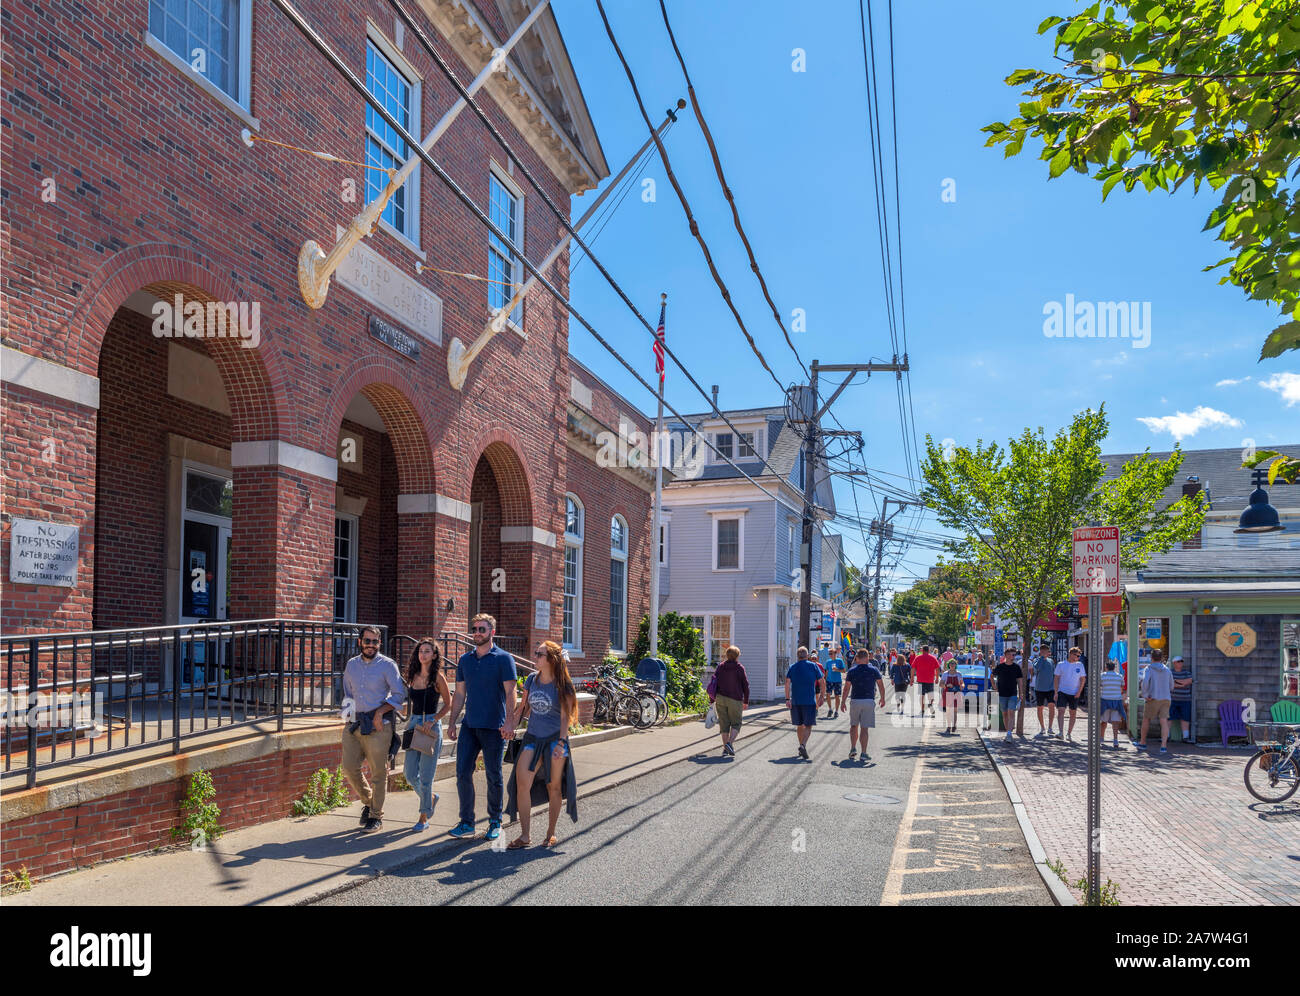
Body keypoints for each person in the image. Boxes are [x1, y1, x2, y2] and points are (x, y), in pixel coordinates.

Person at [446, 613, 518, 841]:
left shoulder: (503, 659)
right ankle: (467, 822)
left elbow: (510, 692)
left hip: (494, 728)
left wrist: (509, 722)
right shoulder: (465, 660)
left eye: (482, 629)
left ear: (492, 632)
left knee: (493, 775)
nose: (477, 633)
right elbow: (459, 694)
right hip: (470, 726)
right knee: (462, 773)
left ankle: (495, 821)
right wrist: (452, 722)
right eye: (474, 629)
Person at [506, 641, 578, 848]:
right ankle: (525, 835)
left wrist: (561, 743)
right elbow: (523, 708)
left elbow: (566, 718)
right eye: (536, 653)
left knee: (553, 787)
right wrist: (510, 723)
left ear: (551, 660)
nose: (535, 656)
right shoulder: (531, 679)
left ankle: (550, 833)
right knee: (522, 784)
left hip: (555, 739)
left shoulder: (563, 685)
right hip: (532, 738)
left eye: (540, 654)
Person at [341, 625, 406, 832]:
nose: (371, 645)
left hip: (379, 726)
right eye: (367, 641)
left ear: (380, 643)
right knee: (349, 768)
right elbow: (346, 692)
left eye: (375, 642)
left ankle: (376, 815)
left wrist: (380, 712)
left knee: (379, 773)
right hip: (354, 724)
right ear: (360, 642)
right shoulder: (351, 665)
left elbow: (399, 695)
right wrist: (346, 716)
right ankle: (369, 803)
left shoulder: (388, 665)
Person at [403, 638, 451, 831]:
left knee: (426, 776)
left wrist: (434, 720)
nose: (423, 654)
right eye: (421, 651)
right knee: (409, 773)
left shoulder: (438, 678)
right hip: (414, 723)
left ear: (434, 655)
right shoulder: (413, 676)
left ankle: (423, 817)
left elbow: (448, 703)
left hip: (431, 725)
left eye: (427, 651)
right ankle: (430, 798)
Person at [845, 648, 886, 760]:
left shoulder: (852, 671)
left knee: (854, 726)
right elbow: (881, 685)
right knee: (864, 728)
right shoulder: (874, 670)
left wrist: (843, 702)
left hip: (855, 700)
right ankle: (863, 753)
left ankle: (853, 748)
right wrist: (882, 698)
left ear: (857, 658)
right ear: (868, 658)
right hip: (868, 700)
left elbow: (847, 688)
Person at [784, 645, 825, 760]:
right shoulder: (813, 666)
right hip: (809, 701)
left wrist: (787, 699)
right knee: (808, 725)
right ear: (807, 655)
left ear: (797, 656)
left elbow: (787, 683)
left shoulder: (792, 667)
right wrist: (822, 696)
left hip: (796, 701)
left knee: (799, 725)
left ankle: (801, 746)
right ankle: (803, 745)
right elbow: (822, 681)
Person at [709, 645, 750, 756]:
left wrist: (711, 699)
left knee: (724, 724)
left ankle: (725, 748)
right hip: (735, 699)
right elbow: (745, 685)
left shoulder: (720, 667)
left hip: (720, 698)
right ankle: (729, 744)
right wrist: (746, 701)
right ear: (737, 656)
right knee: (736, 723)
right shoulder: (739, 668)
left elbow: (714, 683)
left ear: (727, 655)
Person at [1137, 649, 1174, 754]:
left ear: (1151, 658)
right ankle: (1163, 746)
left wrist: (1145, 695)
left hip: (1153, 698)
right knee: (1164, 721)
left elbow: (1145, 683)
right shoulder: (1167, 670)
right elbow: (1172, 685)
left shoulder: (1149, 669)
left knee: (1146, 719)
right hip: (1166, 698)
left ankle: (1143, 743)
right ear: (1162, 658)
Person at [1053, 646, 1088, 742]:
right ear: (1071, 654)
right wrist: (1056, 692)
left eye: (1079, 656)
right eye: (1076, 655)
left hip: (1074, 693)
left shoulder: (1080, 665)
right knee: (1061, 711)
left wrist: (1079, 692)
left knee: (1073, 713)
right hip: (1062, 691)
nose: (1078, 657)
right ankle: (1061, 732)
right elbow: (1056, 678)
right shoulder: (1061, 664)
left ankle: (1069, 733)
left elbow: (1083, 679)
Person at [991, 648, 1022, 743]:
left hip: (1013, 693)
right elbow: (992, 676)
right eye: (1012, 655)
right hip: (1002, 694)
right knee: (1004, 714)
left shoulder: (1016, 667)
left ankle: (1009, 733)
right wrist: (994, 686)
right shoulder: (1000, 666)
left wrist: (1021, 693)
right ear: (1006, 655)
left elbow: (1020, 681)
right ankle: (1007, 732)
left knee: (1011, 712)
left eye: (1014, 655)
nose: (1013, 657)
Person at [1029, 641, 1057, 738]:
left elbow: (1054, 674)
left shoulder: (1051, 661)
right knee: (1040, 708)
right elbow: (1037, 668)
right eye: (1043, 651)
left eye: (1047, 651)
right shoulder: (1036, 660)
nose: (1045, 652)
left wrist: (1056, 687)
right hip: (1039, 688)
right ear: (1040, 652)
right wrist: (1042, 658)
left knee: (1052, 707)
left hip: (1050, 688)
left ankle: (1050, 727)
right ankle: (1042, 727)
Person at [1097, 658, 1126, 748]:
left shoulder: (1102, 676)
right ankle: (1115, 740)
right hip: (1116, 701)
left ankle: (1101, 738)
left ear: (1106, 667)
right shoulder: (1120, 676)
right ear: (1114, 668)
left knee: (1103, 721)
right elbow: (1122, 688)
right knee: (1115, 722)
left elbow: (1099, 686)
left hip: (1105, 700)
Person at [910, 644, 942, 717]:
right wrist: (937, 678)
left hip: (920, 679)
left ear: (922, 650)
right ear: (929, 650)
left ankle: (922, 709)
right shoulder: (933, 658)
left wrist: (912, 678)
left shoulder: (918, 658)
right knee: (930, 695)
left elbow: (913, 668)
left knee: (922, 695)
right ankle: (930, 705)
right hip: (930, 679)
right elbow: (937, 668)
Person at [1169, 654, 1194, 743]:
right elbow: (1170, 684)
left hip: (1185, 700)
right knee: (1169, 718)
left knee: (1185, 718)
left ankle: (1185, 737)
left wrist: (1176, 681)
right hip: (1172, 699)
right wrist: (1182, 684)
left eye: (1181, 661)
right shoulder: (1170, 672)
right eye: (1179, 662)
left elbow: (1189, 681)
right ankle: (1167, 736)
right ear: (1174, 663)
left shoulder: (1186, 673)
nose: (1180, 663)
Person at [940, 659, 965, 735]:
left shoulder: (959, 674)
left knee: (954, 710)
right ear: (948, 665)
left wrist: (962, 686)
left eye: (954, 664)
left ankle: (954, 725)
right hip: (947, 693)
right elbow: (941, 684)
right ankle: (948, 727)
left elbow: (962, 683)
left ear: (956, 665)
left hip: (956, 693)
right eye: (951, 664)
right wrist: (947, 685)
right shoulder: (945, 674)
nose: (952, 665)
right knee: (948, 711)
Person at [824, 646, 846, 719]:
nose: (830, 655)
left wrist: (837, 670)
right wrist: (825, 679)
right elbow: (826, 671)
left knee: (837, 696)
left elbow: (844, 671)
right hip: (829, 680)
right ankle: (830, 709)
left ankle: (836, 711)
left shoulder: (839, 661)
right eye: (829, 653)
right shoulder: (828, 662)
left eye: (831, 653)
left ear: (835, 653)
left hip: (837, 681)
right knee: (827, 695)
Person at [887, 648, 911, 715]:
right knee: (903, 695)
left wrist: (892, 680)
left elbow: (891, 673)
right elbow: (910, 673)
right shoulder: (907, 665)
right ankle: (902, 708)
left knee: (897, 694)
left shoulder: (895, 665)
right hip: (904, 682)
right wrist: (911, 679)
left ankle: (898, 703)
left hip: (897, 681)